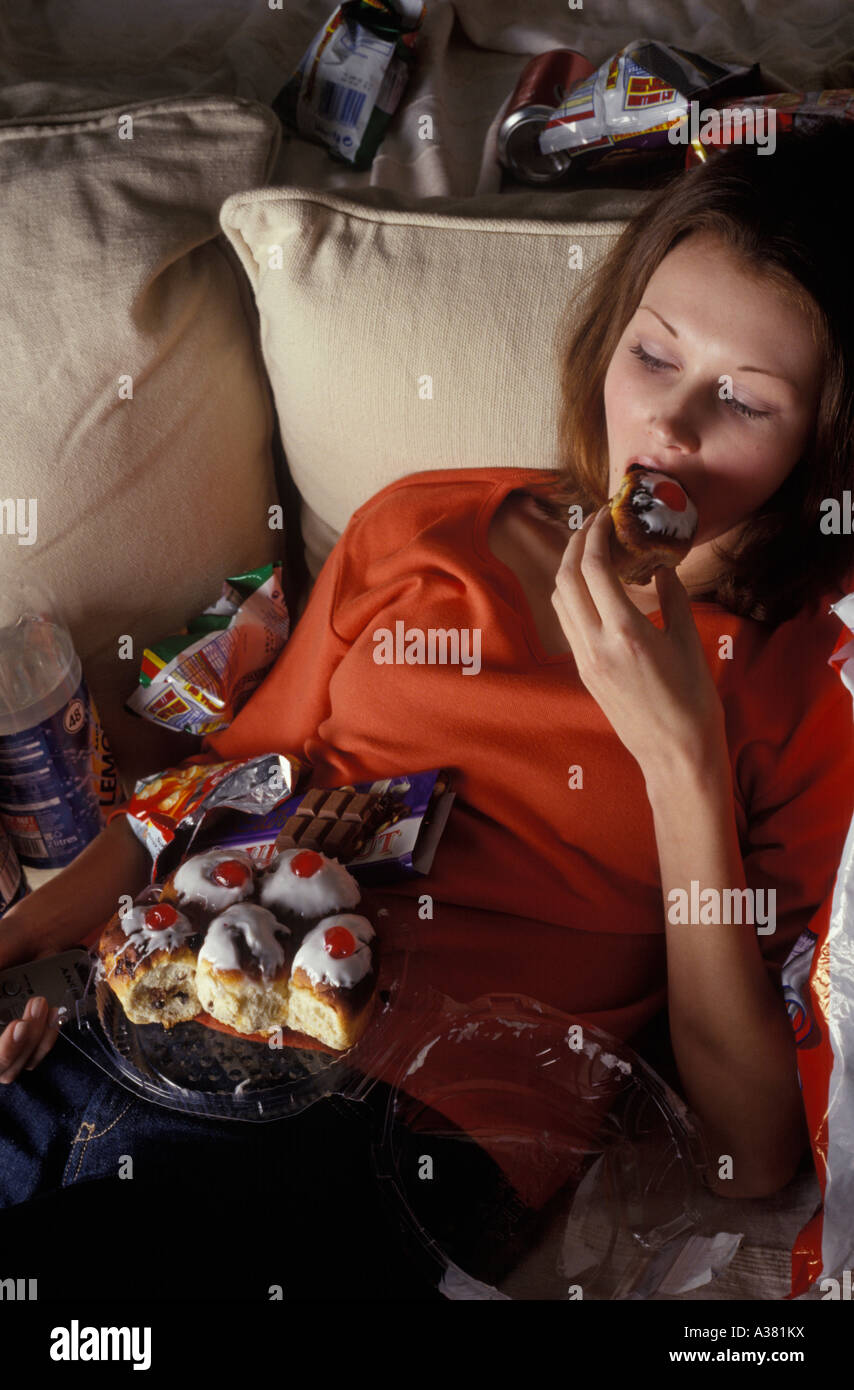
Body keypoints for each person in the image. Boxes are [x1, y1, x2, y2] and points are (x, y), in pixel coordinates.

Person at [2, 123, 854, 1228]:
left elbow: (745, 1156)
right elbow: (216, 784)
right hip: (159, 1002)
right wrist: (24, 950)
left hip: (394, 1125)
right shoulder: (426, 524)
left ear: (819, 447)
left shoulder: (806, 689)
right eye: (652, 355)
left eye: (742, 400)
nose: (667, 427)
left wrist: (677, 758)